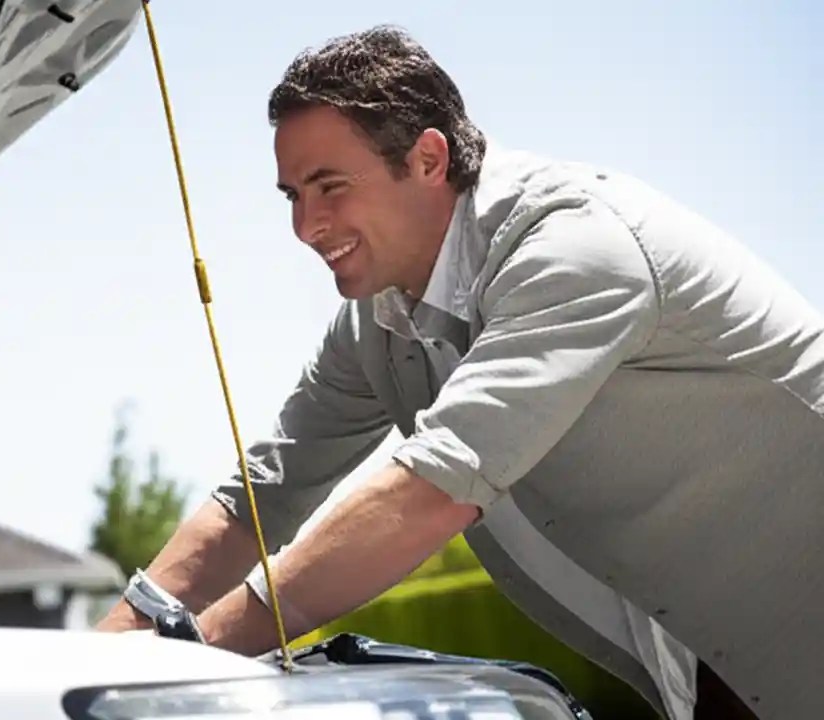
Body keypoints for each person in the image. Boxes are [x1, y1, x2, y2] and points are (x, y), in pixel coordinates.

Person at [96, 24, 821, 720]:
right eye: (293, 195)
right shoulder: (377, 321)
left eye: (329, 186)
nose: (304, 226)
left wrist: (195, 666)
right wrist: (108, 654)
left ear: (429, 159)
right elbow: (266, 491)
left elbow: (430, 490)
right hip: (726, 669)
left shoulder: (575, 248)